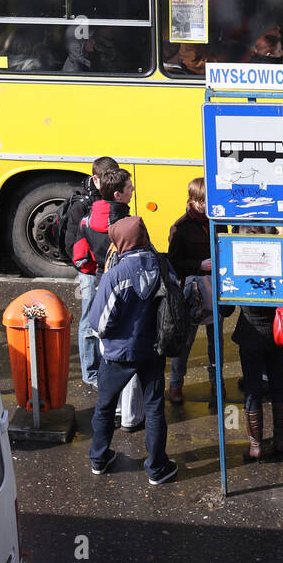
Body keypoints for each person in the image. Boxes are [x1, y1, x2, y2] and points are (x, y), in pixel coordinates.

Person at [87, 218, 179, 486]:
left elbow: (99, 323)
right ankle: (157, 468)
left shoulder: (115, 275)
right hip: (153, 349)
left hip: (118, 354)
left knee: (104, 406)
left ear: (120, 242)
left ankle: (99, 459)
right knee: (154, 408)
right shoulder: (163, 265)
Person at [230, 235, 283, 459]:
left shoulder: (241, 265)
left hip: (250, 335)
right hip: (277, 332)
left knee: (253, 389)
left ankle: (255, 445)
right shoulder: (281, 261)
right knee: (278, 385)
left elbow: (226, 307)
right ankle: (279, 439)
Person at [66, 155, 120, 389]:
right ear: (96, 179)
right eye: (109, 178)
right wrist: (91, 269)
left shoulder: (111, 197)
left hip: (104, 269)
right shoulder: (82, 205)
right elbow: (74, 245)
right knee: (89, 320)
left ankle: (103, 366)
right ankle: (90, 373)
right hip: (91, 271)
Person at [166, 176, 213, 405]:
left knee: (216, 341)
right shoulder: (180, 227)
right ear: (193, 200)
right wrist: (199, 265)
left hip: (215, 288)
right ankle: (176, 384)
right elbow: (173, 262)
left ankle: (216, 381)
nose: (207, 205)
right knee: (185, 340)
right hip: (191, 290)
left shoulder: (217, 220)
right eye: (203, 201)